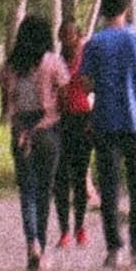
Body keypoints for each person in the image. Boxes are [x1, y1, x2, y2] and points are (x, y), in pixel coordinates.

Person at [79, 0, 136, 266]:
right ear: (126, 9)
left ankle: (114, 248)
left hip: (105, 122)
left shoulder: (95, 43)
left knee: (109, 188)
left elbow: (85, 83)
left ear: (102, 12)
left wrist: (104, 85)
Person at [1, 11, 63, 271]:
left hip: (20, 132)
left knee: (27, 190)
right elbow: (64, 91)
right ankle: (42, 246)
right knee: (44, 191)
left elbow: (5, 102)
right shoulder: (52, 62)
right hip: (47, 130)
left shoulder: (9, 66)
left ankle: (32, 243)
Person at [53, 16, 94, 248]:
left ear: (79, 37)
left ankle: (80, 226)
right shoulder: (55, 62)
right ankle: (64, 230)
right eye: (64, 35)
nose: (68, 39)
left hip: (82, 120)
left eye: (72, 35)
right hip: (61, 121)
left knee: (79, 176)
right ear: (60, 37)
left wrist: (92, 120)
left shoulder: (85, 61)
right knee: (60, 178)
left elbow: (92, 89)